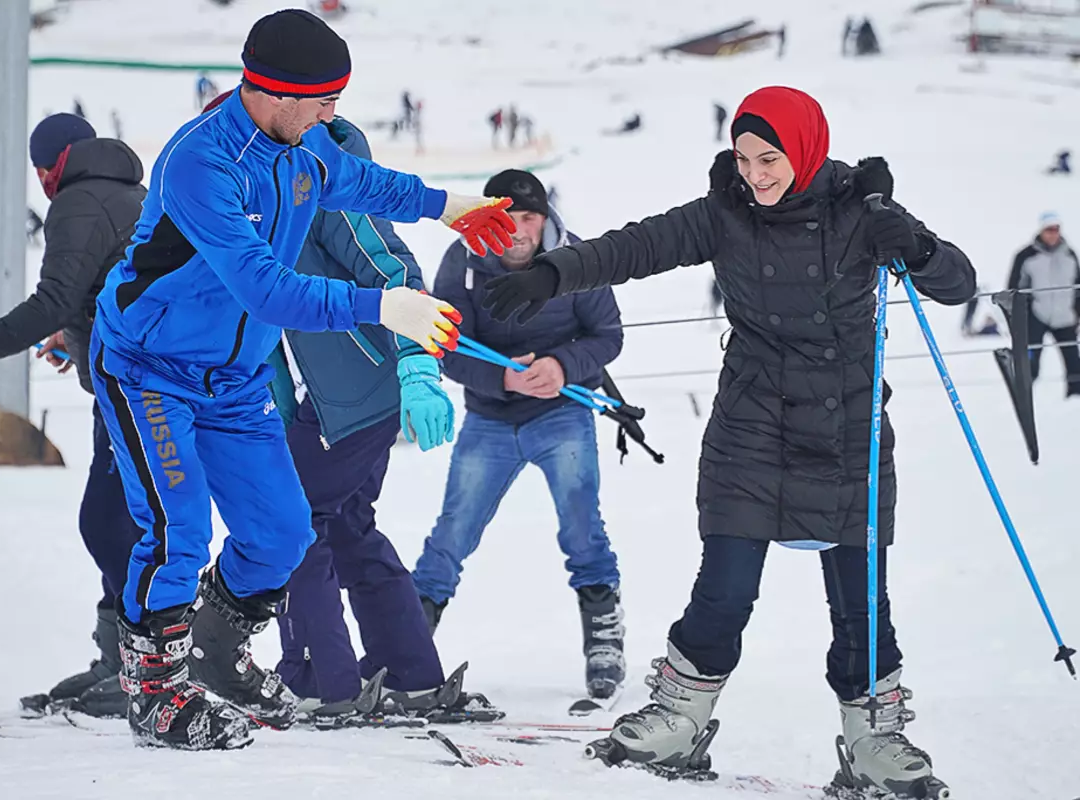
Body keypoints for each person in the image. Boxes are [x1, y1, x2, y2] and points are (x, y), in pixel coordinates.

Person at [482, 86, 974, 798]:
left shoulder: (862, 213)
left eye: (768, 158)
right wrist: (552, 274)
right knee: (724, 591)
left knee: (863, 606)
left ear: (803, 150)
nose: (756, 174)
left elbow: (958, 284)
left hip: (846, 436)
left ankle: (874, 740)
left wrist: (920, 248)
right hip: (750, 429)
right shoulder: (727, 214)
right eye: (743, 158)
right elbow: (637, 246)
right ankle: (680, 720)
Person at [72, 9, 514, 751]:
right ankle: (154, 693)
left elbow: (364, 182)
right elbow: (268, 290)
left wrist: (450, 207)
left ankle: (213, 646)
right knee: (177, 529)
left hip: (235, 377)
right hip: (151, 368)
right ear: (275, 93)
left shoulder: (302, 147)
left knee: (281, 535)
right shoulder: (201, 164)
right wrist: (385, 305)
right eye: (323, 102)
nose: (331, 115)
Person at [226, 109, 498, 726]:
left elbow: (396, 271)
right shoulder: (258, 192)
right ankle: (409, 672)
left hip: (350, 401)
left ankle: (323, 679)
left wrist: (418, 370)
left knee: (295, 528)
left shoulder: (321, 180)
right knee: (347, 525)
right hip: (315, 404)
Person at [0, 113, 149, 720]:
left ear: (60, 161)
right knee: (121, 521)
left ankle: (142, 664)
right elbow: (103, 291)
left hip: (137, 386)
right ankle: (119, 661)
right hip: (131, 380)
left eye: (40, 169)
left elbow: (54, 295)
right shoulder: (124, 190)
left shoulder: (79, 202)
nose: (41, 181)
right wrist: (73, 337)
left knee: (111, 523)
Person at [412, 169, 626, 702]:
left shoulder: (578, 258)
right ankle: (410, 639)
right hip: (490, 416)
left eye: (528, 216)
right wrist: (500, 376)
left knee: (582, 523)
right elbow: (448, 345)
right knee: (452, 531)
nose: (517, 229)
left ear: (545, 217)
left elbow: (607, 336)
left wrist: (561, 365)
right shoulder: (462, 263)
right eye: (506, 216)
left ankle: (604, 631)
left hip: (561, 412)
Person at [1008, 212, 1080, 396]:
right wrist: (1023, 316)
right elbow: (1014, 289)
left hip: (1065, 317)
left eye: (1056, 229)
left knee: (1074, 364)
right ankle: (1024, 397)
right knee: (1030, 362)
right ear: (1041, 230)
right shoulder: (1025, 256)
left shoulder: (1070, 255)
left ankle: (1075, 398)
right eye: (1049, 229)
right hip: (1037, 316)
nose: (1053, 233)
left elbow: (1077, 287)